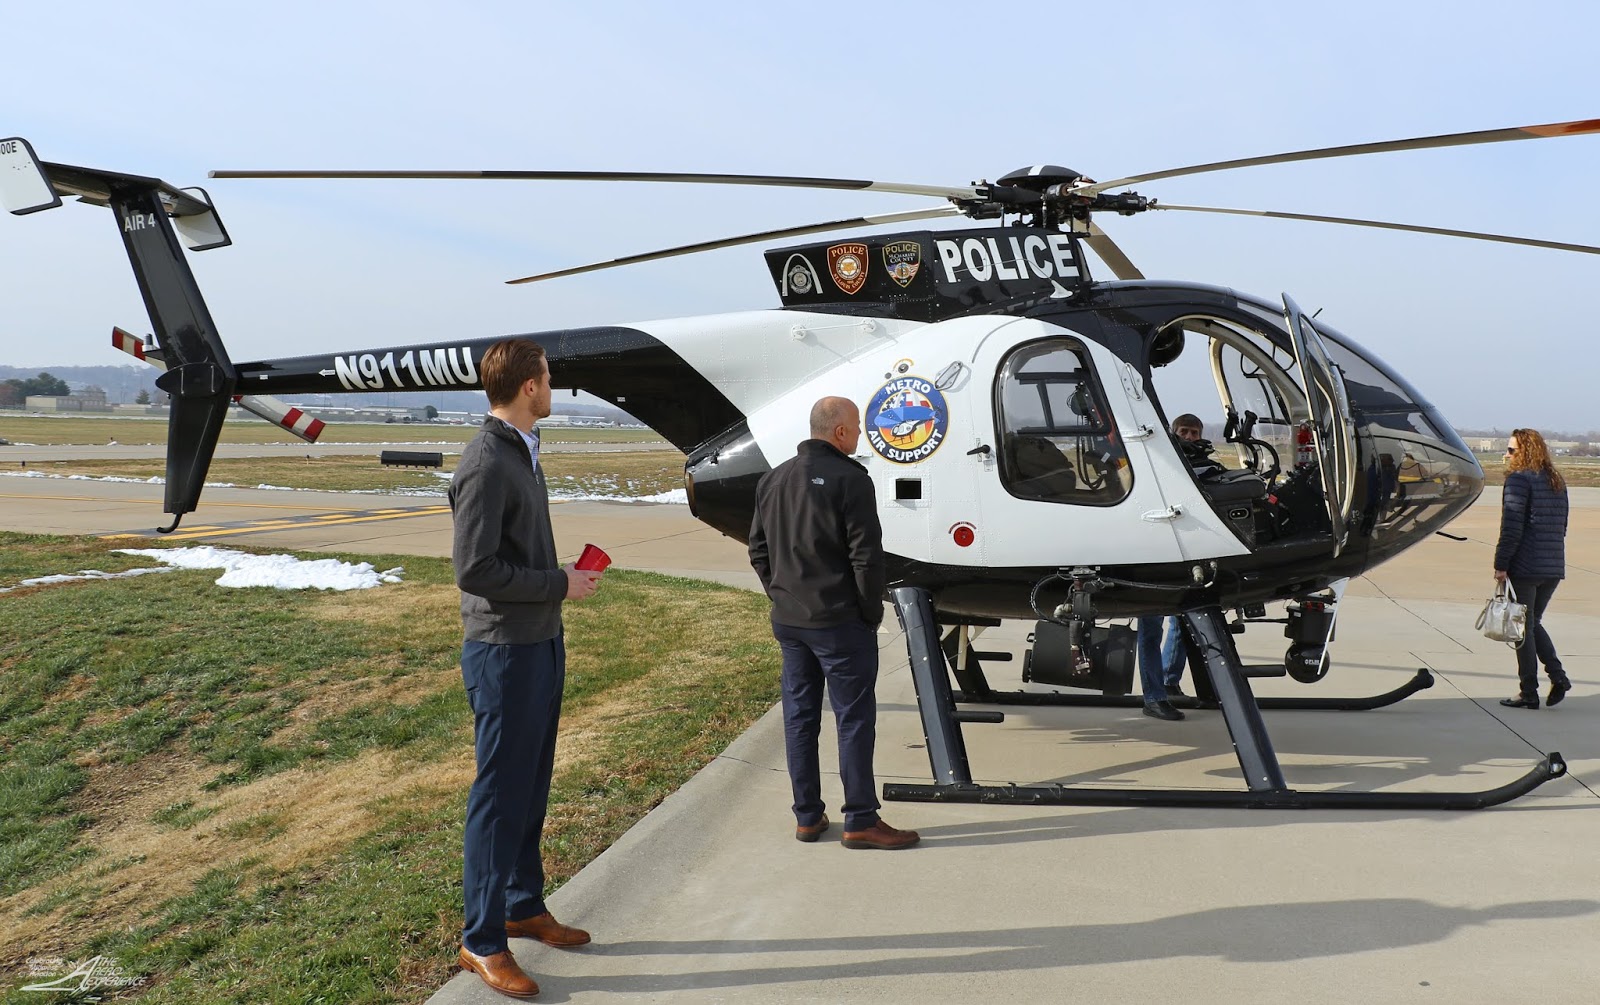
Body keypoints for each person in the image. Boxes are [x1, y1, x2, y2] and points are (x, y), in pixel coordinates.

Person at [450, 338, 603, 999]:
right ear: (526, 387)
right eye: (547, 378)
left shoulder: (523, 451)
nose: (552, 385)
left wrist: (559, 580)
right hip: (505, 649)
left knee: (531, 784)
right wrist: (556, 583)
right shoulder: (487, 461)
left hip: (540, 640)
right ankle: (482, 941)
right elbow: (476, 569)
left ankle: (523, 903)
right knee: (498, 797)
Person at [748, 396, 919, 850]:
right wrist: (870, 612)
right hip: (839, 623)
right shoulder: (850, 479)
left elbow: (758, 551)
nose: (861, 434)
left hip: (790, 622)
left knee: (800, 719)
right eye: (857, 427)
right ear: (839, 432)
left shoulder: (773, 479)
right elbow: (867, 557)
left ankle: (807, 817)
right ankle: (861, 819)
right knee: (853, 720)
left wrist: (781, 594)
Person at [1494, 428, 1570, 710]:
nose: (1506, 454)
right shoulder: (1555, 479)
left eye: (1511, 450)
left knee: (1522, 629)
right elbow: (1563, 525)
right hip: (1552, 565)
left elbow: (1511, 526)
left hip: (1526, 565)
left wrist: (1502, 564)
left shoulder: (1518, 480)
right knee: (1532, 622)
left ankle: (1529, 691)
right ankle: (1558, 677)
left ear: (1524, 452)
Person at [1136, 414, 1204, 720]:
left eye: (1194, 432)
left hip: (1189, 557)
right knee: (1151, 628)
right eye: (1183, 431)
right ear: (1172, 432)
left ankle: (1169, 681)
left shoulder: (1203, 464)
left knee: (1182, 623)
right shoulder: (1156, 462)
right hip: (1153, 556)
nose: (1189, 437)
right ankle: (1153, 697)